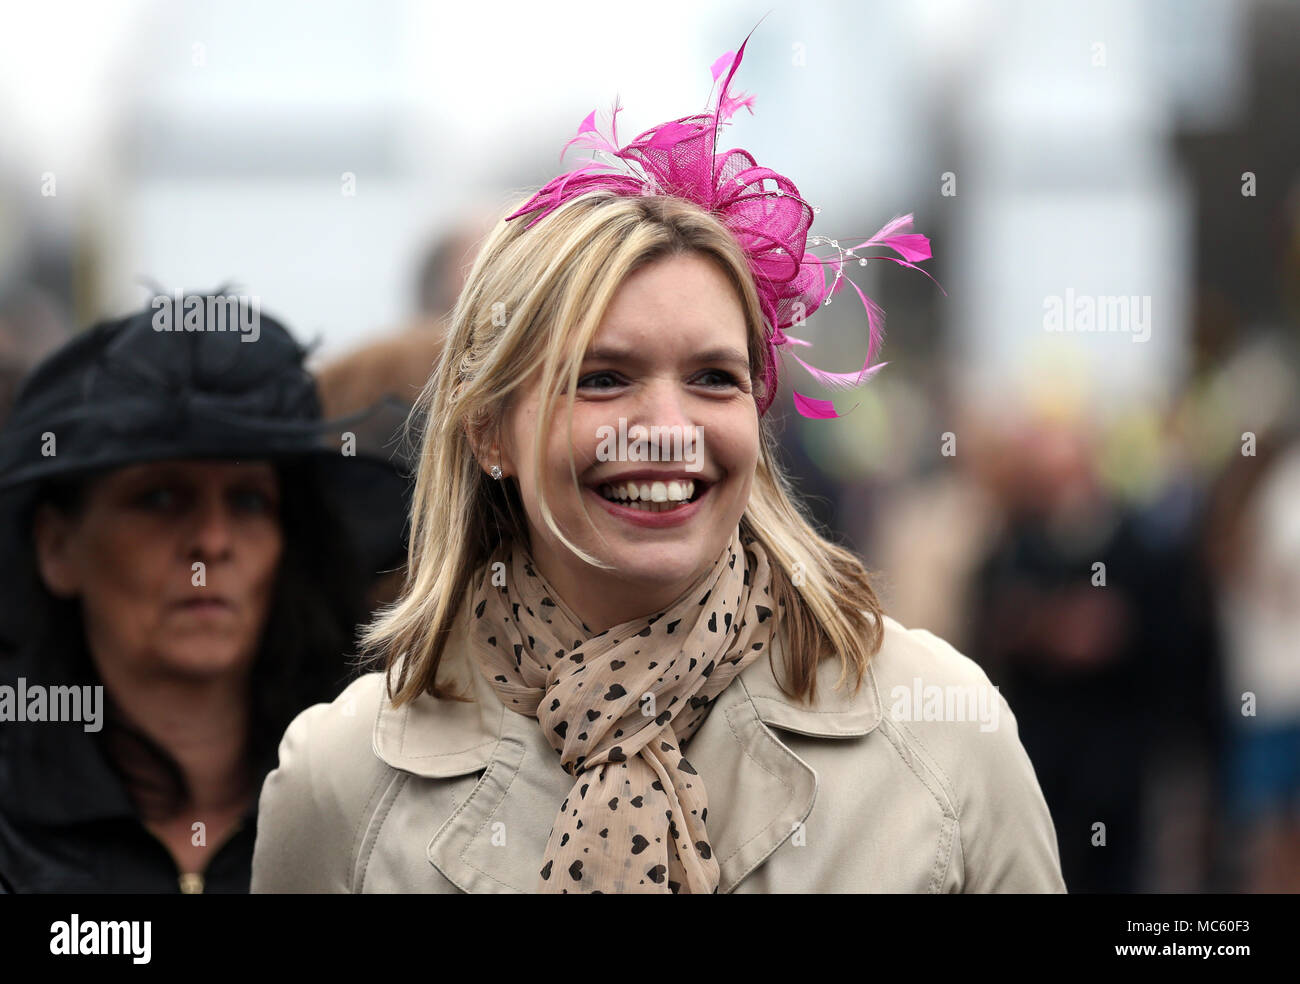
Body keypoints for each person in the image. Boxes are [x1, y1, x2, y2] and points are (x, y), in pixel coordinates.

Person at [251, 28, 1065, 894]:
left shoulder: (940, 732)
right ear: (490, 429)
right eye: (602, 378)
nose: (667, 428)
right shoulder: (341, 781)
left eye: (714, 378)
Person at [0, 293, 411, 893]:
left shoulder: (384, 794)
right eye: (161, 498)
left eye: (248, 500)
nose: (212, 542)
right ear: (58, 547)